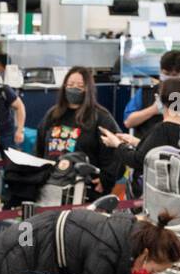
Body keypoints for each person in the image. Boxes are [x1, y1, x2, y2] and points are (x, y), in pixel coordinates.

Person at [0, 209, 180, 274]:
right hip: (19, 253)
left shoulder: (127, 235)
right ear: (145, 254)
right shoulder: (109, 251)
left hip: (31, 244)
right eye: (154, 270)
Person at [35, 66, 123, 194]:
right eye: (70, 84)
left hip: (86, 189)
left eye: (80, 85)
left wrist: (107, 178)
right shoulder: (53, 115)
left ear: (88, 89)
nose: (74, 88)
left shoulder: (100, 117)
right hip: (52, 185)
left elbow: (117, 151)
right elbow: (39, 148)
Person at [102, 76, 180, 174]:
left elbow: (138, 160)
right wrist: (137, 142)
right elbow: (161, 150)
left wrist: (117, 144)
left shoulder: (162, 129)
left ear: (160, 99)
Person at [124, 49, 180, 133]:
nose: (170, 78)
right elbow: (128, 122)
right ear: (160, 71)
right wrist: (153, 110)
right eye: (167, 74)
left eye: (175, 75)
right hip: (148, 145)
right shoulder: (146, 92)